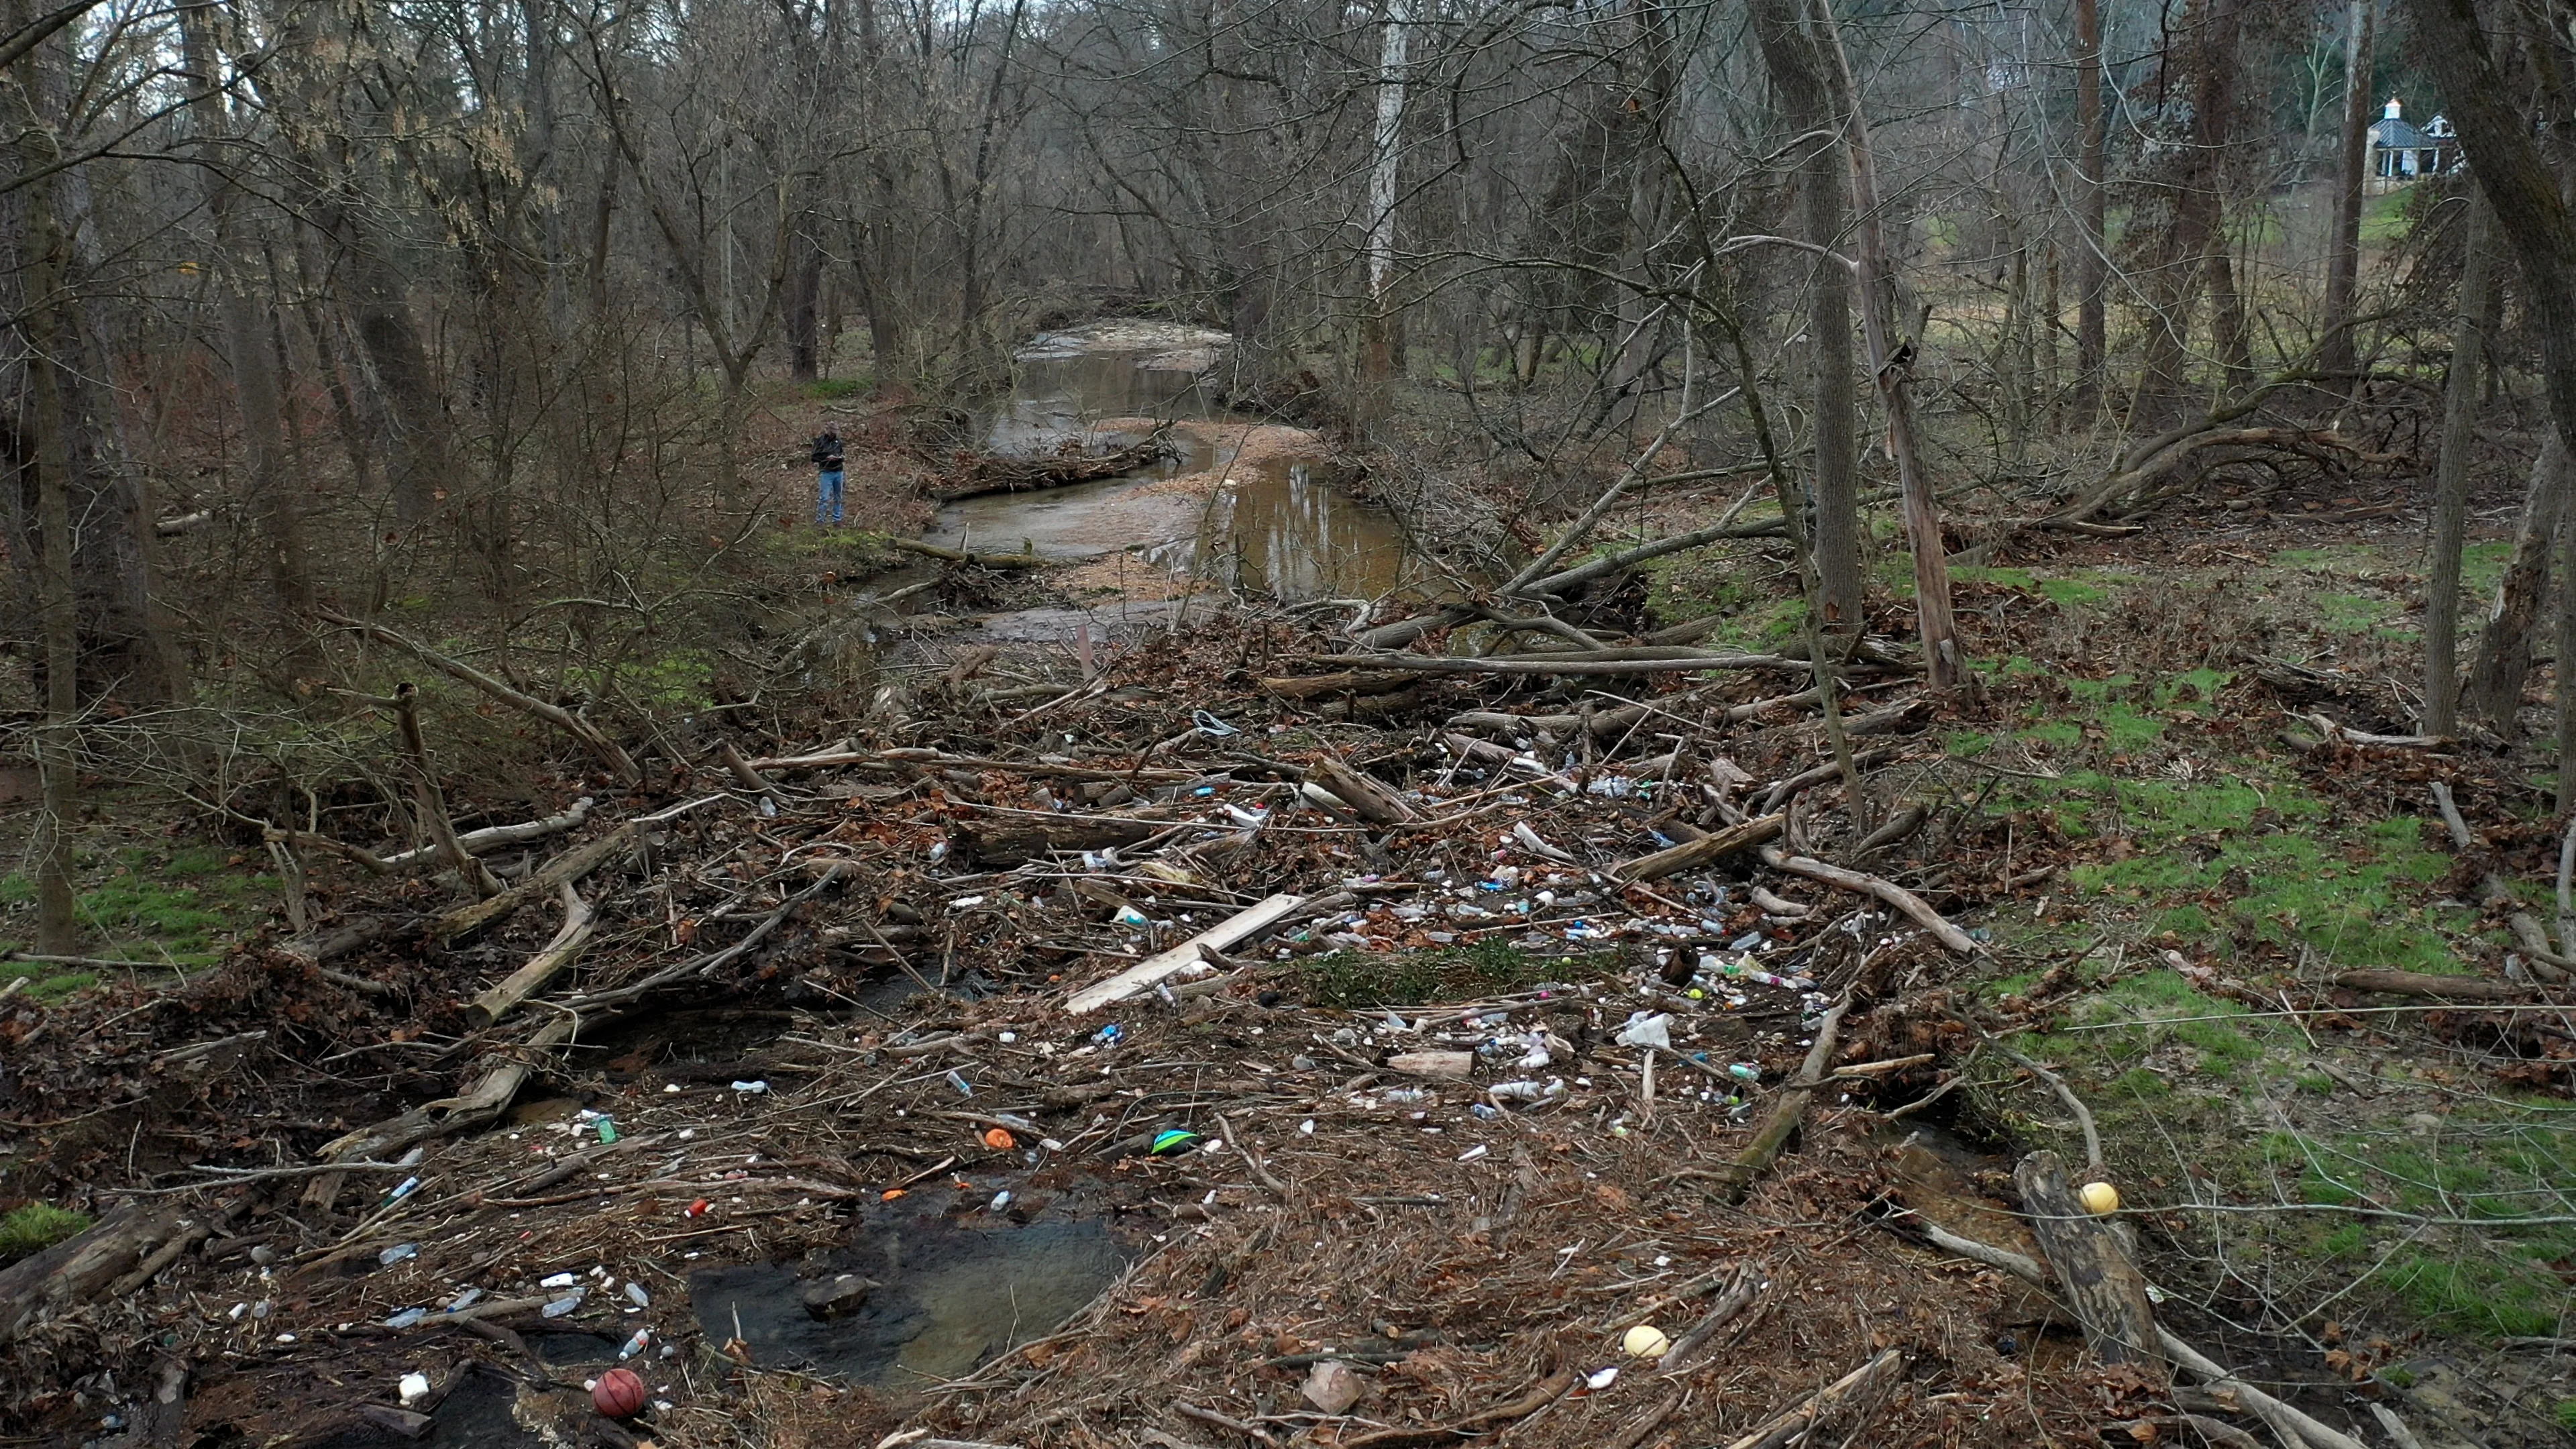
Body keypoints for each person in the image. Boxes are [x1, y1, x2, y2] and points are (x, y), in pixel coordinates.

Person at [812, 429, 846, 525]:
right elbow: (814, 457)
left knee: (838, 496)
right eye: (832, 433)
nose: (833, 435)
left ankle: (837, 519)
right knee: (825, 497)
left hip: (838, 471)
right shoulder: (820, 441)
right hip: (826, 472)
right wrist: (826, 458)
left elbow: (842, 454)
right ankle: (820, 519)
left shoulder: (838, 442)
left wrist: (840, 458)